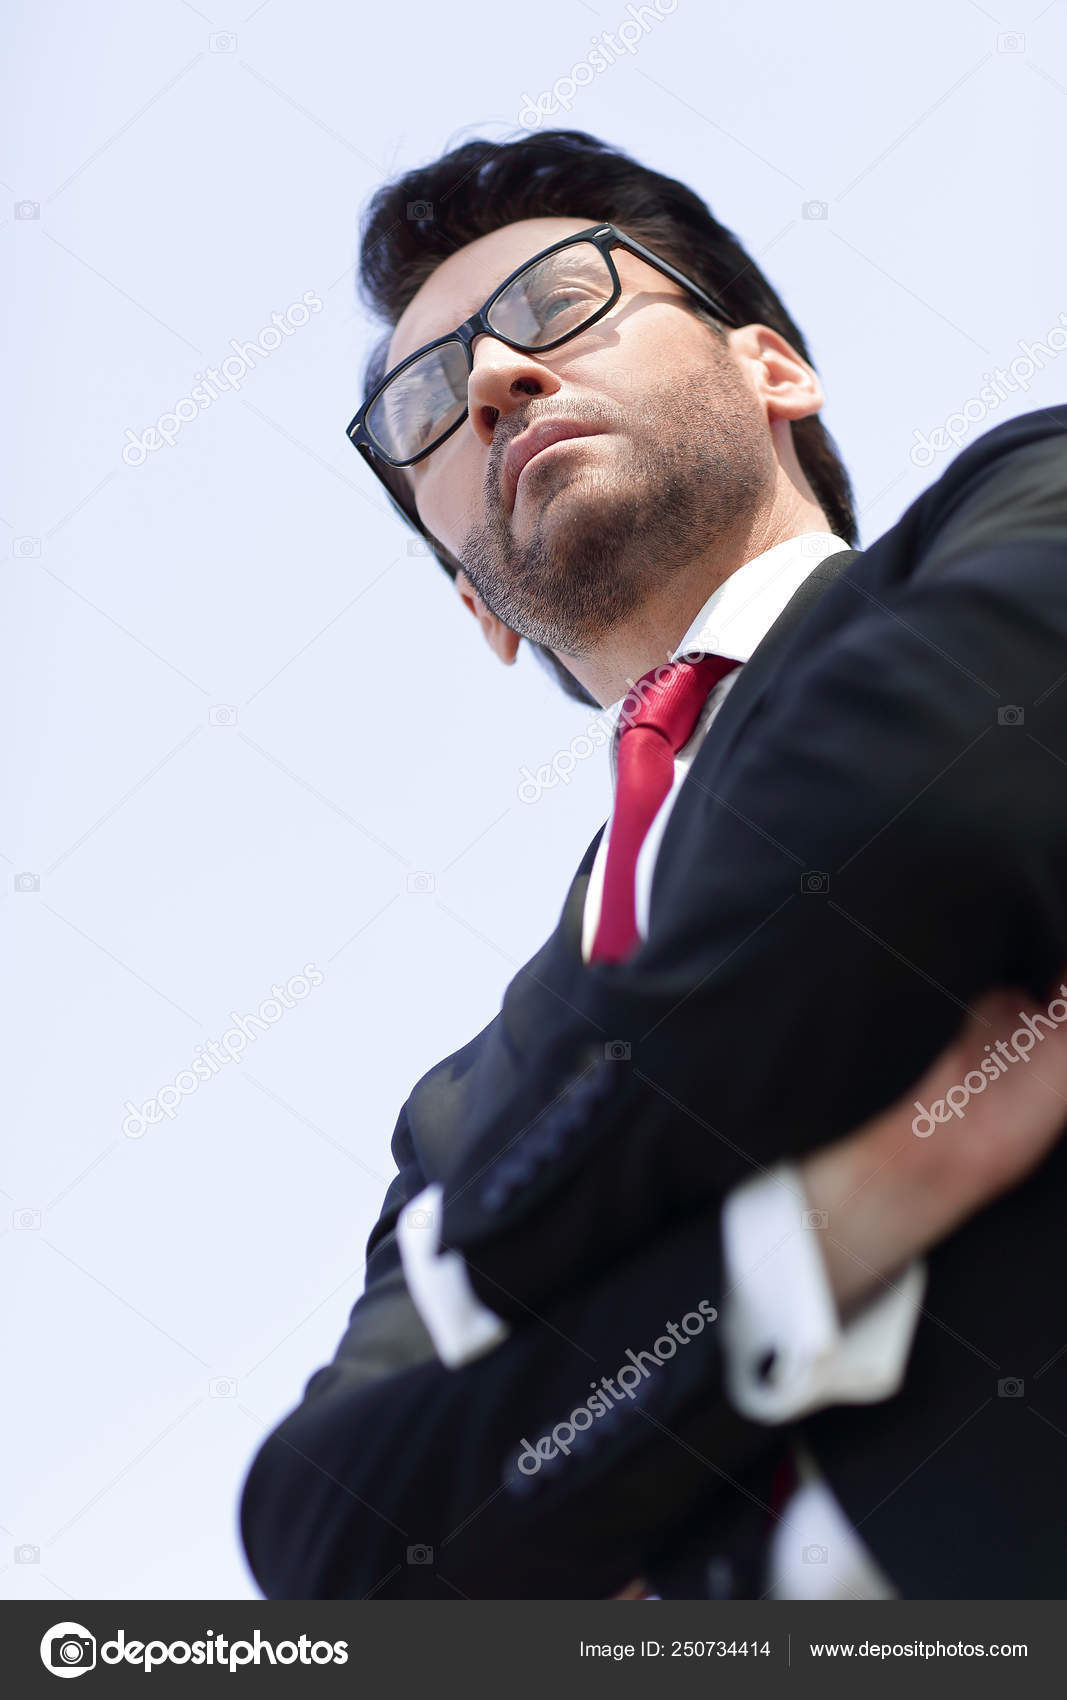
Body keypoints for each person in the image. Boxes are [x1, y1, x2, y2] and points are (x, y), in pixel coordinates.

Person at [239, 129, 1067, 1600]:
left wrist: (496, 1254)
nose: (494, 381)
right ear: (476, 607)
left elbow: (928, 836)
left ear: (773, 370)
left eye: (561, 304)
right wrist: (813, 1239)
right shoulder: (457, 1109)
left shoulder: (1030, 501)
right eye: (425, 405)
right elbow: (343, 1552)